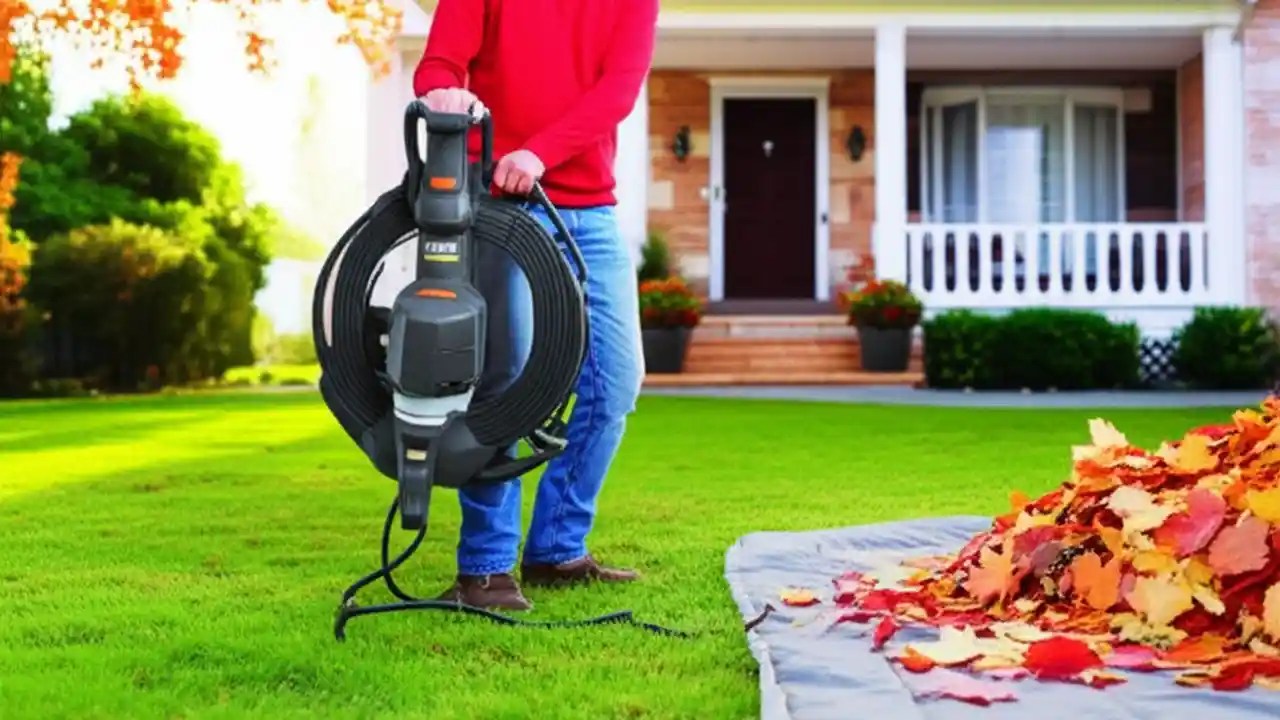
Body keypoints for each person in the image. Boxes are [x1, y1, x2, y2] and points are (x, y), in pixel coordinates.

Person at [411, 0, 659, 611]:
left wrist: (541, 153)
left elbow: (618, 92)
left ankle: (555, 549)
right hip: (496, 201)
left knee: (616, 383)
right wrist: (445, 94)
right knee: (504, 380)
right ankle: (485, 571)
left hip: (587, 211)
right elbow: (439, 65)